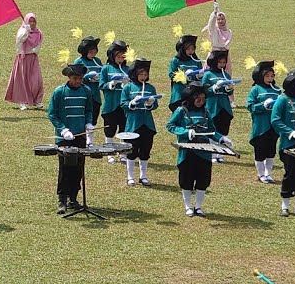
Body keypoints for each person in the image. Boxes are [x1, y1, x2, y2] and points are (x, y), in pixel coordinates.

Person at [167, 83, 230, 217]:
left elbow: (212, 130)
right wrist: (184, 132)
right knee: (186, 179)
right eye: (198, 99)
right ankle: (188, 206)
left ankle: (199, 207)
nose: (201, 102)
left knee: (203, 179)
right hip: (187, 151)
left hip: (204, 152)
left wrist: (221, 138)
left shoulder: (206, 112)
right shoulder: (181, 111)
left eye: (203, 99)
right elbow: (170, 125)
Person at [49, 64, 96, 215]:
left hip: (80, 136)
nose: (78, 81)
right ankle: (62, 200)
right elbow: (52, 113)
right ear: (69, 77)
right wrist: (62, 129)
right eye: (75, 78)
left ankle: (73, 198)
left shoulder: (86, 91)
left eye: (80, 79)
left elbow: (89, 110)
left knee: (78, 168)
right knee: (65, 168)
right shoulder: (59, 92)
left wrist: (89, 123)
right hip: (64, 138)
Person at [271, 69, 295, 216]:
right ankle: (284, 205)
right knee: (291, 174)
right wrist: (290, 132)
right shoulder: (283, 100)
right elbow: (275, 120)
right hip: (289, 145)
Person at [121, 58, 160, 186]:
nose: (143, 77)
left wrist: (150, 104)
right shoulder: (128, 87)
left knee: (145, 151)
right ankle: (130, 176)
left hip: (147, 124)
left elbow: (155, 106)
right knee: (131, 151)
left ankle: (143, 176)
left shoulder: (150, 88)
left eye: (145, 74)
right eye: (141, 74)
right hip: (133, 124)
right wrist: (132, 103)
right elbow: (123, 103)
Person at [246, 60, 281, 185]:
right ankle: (260, 174)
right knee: (260, 150)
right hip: (260, 126)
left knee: (271, 150)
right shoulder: (256, 89)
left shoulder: (277, 90)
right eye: (267, 76)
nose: (270, 78)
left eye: (272, 76)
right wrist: (263, 106)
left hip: (273, 126)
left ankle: (268, 173)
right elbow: (250, 106)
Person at [200, 49, 237, 163]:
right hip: (213, 105)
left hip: (224, 106)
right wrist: (213, 88)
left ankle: (220, 154)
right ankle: (212, 154)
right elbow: (204, 91)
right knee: (213, 130)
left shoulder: (225, 74)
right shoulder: (208, 75)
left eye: (224, 62)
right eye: (220, 62)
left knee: (223, 129)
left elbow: (229, 93)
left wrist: (229, 88)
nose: (222, 64)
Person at [99, 40, 132, 155]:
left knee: (124, 129)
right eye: (118, 56)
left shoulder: (128, 69)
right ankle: (109, 152)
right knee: (110, 129)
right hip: (110, 104)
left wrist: (128, 83)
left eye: (122, 57)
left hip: (124, 105)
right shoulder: (106, 69)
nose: (120, 59)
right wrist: (111, 84)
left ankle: (122, 153)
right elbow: (101, 85)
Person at [5, 13, 44, 109]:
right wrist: (26, 32)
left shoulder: (38, 32)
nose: (32, 23)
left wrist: (36, 49)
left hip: (33, 59)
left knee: (36, 80)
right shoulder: (22, 31)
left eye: (34, 21)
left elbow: (39, 43)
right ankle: (23, 101)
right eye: (30, 21)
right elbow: (19, 41)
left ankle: (37, 100)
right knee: (22, 81)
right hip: (23, 59)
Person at [167, 35, 204, 111]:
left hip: (193, 91)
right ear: (183, 49)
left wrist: (199, 76)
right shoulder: (176, 60)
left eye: (192, 49)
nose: (191, 51)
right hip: (179, 90)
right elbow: (171, 74)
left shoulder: (196, 61)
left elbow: (200, 73)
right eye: (188, 49)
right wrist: (182, 77)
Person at [74, 36, 104, 117]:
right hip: (83, 94)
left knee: (93, 119)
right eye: (91, 51)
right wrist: (87, 77)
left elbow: (103, 73)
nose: (93, 53)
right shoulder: (79, 61)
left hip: (96, 96)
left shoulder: (97, 61)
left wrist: (100, 77)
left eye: (95, 51)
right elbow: (75, 79)